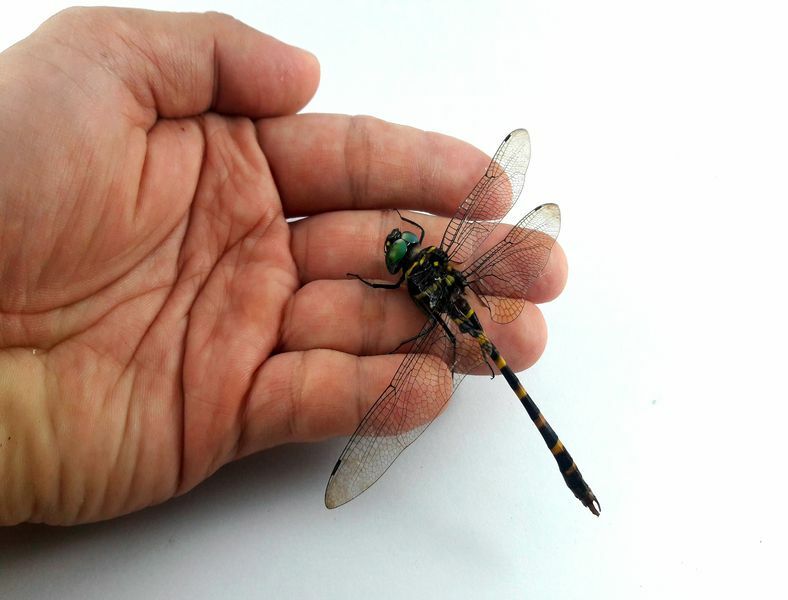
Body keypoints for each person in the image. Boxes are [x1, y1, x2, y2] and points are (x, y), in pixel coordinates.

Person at [0, 8, 566, 525]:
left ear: (405, 260)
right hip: (463, 319)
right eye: (398, 245)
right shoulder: (439, 263)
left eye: (399, 246)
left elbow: (390, 286)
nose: (397, 244)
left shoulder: (404, 278)